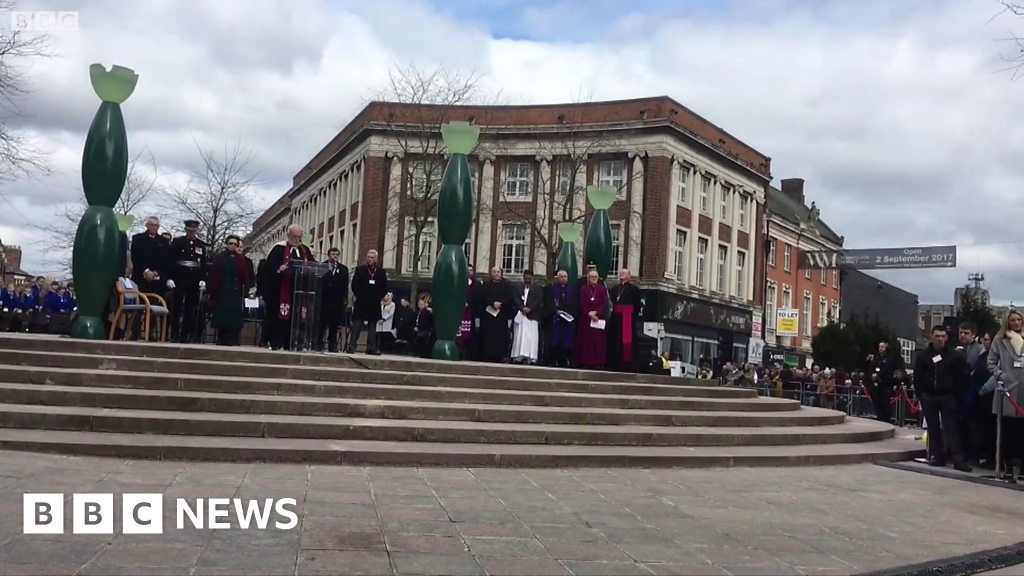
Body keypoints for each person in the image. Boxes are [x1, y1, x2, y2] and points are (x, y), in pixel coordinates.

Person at [913, 325, 971, 471]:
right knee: (933, 429)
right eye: (937, 336)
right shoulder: (923, 356)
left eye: (943, 336)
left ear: (947, 338)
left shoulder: (954, 356)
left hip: (947, 396)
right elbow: (917, 376)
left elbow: (961, 377)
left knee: (952, 428)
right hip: (929, 396)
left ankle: (958, 459)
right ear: (932, 337)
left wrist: (955, 394)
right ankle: (937, 456)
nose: (940, 339)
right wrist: (921, 394)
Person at [986, 311, 1024, 482]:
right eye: (1013, 320)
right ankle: (1008, 467)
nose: (1016, 323)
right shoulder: (1000, 340)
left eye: (1019, 320)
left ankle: (1020, 467)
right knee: (1007, 432)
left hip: (1023, 391)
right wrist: (1002, 375)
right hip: (1007, 391)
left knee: (1021, 432)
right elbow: (991, 363)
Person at [263, 224, 315, 350]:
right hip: (280, 292)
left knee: (296, 318)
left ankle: (293, 343)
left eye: (299, 237)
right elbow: (269, 268)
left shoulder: (305, 251)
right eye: (294, 237)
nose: (297, 240)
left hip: (299, 292)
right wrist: (278, 269)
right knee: (279, 318)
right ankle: (276, 342)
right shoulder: (278, 249)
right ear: (288, 236)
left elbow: (313, 266)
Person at [168, 220, 209, 343]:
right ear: (186, 230)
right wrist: (170, 277)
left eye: (194, 230)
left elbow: (203, 264)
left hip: (194, 279)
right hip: (179, 278)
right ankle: (175, 333)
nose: (192, 232)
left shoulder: (201, 244)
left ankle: (186, 334)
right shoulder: (178, 242)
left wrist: (203, 279)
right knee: (176, 307)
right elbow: (171, 261)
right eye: (190, 230)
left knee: (191, 309)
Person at [207, 235, 252, 346]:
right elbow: (215, 275)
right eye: (230, 243)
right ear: (226, 244)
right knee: (222, 316)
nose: (232, 246)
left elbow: (244, 275)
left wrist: (247, 289)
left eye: (235, 244)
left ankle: (231, 338)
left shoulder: (240, 259)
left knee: (233, 317)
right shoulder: (220, 257)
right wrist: (213, 293)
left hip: (235, 291)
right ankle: (221, 338)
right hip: (222, 290)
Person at [348, 249, 388, 355]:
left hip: (374, 302)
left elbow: (384, 287)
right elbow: (354, 285)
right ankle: (352, 346)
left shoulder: (381, 272)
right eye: (368, 257)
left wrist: (378, 297)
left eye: (372, 257)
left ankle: (371, 347)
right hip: (361, 301)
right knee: (357, 324)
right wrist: (358, 295)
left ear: (376, 259)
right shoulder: (360, 270)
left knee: (372, 326)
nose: (370, 259)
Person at [477, 267, 517, 363]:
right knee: (488, 337)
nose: (496, 274)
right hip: (488, 315)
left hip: (501, 315)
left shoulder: (507, 285)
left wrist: (501, 304)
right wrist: (492, 303)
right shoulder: (486, 284)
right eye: (494, 272)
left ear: (501, 273)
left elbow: (510, 298)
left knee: (500, 337)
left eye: (498, 272)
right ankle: (487, 355)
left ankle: (500, 356)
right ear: (491, 273)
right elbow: (482, 297)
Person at [608, 268, 642, 372]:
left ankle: (626, 364)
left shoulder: (634, 289)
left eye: (624, 273)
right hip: (616, 318)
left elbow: (637, 306)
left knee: (627, 341)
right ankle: (614, 362)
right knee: (614, 338)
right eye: (620, 273)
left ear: (629, 276)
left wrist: (630, 316)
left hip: (628, 318)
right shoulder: (615, 288)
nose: (621, 274)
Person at [576, 269, 609, 370]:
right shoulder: (583, 289)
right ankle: (586, 362)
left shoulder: (602, 289)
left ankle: (599, 363)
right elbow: (581, 303)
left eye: (595, 277)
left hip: (598, 319)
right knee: (587, 342)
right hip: (586, 320)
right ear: (588, 278)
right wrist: (589, 313)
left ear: (598, 278)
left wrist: (596, 312)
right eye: (592, 277)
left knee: (598, 342)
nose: (594, 278)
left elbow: (605, 303)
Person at [318, 247, 350, 353]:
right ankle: (318, 344)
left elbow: (345, 285)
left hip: (337, 302)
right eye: (333, 254)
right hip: (324, 301)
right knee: (322, 325)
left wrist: (344, 299)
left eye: (337, 254)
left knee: (334, 326)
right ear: (328, 255)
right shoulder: (322, 266)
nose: (335, 256)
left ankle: (332, 345)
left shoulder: (343, 269)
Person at [130, 216, 171, 295]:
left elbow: (166, 260)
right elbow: (135, 257)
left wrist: (156, 272)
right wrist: (146, 270)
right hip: (141, 276)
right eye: (152, 225)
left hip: (157, 280)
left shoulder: (164, 241)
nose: (154, 227)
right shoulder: (138, 239)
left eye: (156, 225)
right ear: (147, 225)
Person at [511, 269, 544, 365]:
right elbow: (515, 298)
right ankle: (518, 357)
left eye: (529, 278)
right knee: (519, 336)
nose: (527, 280)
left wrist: (530, 308)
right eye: (526, 278)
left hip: (532, 316)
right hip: (521, 315)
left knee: (531, 337)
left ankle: (531, 358)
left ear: (532, 278)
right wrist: (522, 308)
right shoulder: (518, 287)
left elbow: (538, 300)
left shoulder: (538, 288)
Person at [547, 270, 577, 368]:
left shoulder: (571, 290)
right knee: (555, 340)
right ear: (558, 278)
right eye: (562, 277)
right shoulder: (552, 289)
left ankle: (564, 362)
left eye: (565, 277)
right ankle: (553, 361)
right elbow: (549, 303)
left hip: (567, 320)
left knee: (566, 341)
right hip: (556, 318)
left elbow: (574, 303)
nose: (563, 279)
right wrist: (556, 311)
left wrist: (568, 312)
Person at [866, 342, 897, 424]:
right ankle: (880, 417)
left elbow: (887, 368)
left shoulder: (889, 358)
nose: (880, 348)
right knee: (877, 401)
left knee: (884, 401)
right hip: (877, 384)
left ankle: (887, 418)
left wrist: (878, 375)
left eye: (882, 347)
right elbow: (871, 368)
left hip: (885, 383)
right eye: (879, 347)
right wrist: (872, 375)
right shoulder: (877, 358)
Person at [458, 265, 482, 360]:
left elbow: (478, 296)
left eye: (471, 270)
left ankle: (469, 354)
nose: (469, 272)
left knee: (471, 334)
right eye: (467, 270)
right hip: (460, 311)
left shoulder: (477, 284)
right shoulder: (459, 281)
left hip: (472, 311)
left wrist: (469, 302)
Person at [412, 293, 435, 358]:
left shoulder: (427, 312)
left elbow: (429, 322)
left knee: (422, 339)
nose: (419, 305)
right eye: (419, 304)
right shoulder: (419, 312)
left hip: (425, 330)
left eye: (421, 304)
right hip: (419, 329)